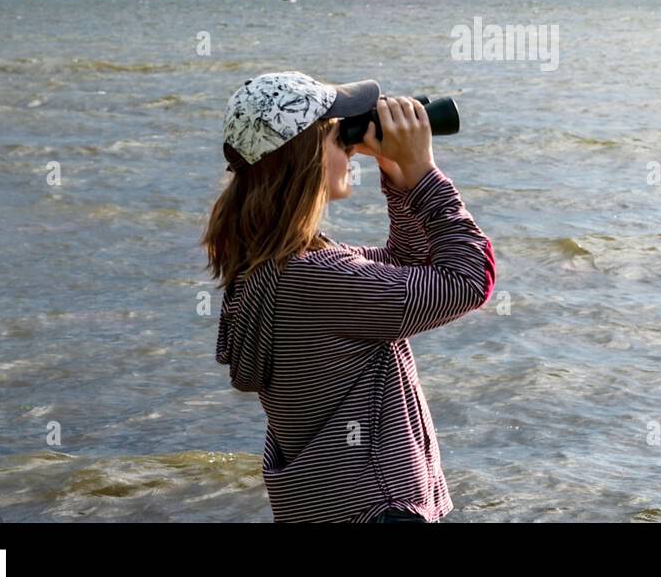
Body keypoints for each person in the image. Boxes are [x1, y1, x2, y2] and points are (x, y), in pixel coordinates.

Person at [203, 71, 496, 523]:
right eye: (338, 137)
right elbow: (467, 280)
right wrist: (423, 176)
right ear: (304, 158)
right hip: (379, 508)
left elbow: (406, 268)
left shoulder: (264, 271)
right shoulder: (317, 277)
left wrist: (399, 184)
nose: (351, 149)